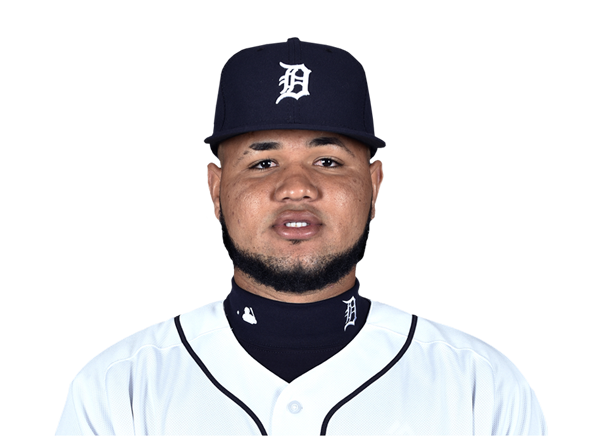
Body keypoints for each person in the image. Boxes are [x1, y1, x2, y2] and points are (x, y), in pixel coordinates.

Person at [56, 38, 548, 435]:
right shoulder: (120, 388)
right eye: (262, 162)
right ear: (215, 189)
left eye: (328, 161)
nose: (296, 187)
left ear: (375, 185)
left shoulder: (479, 387)